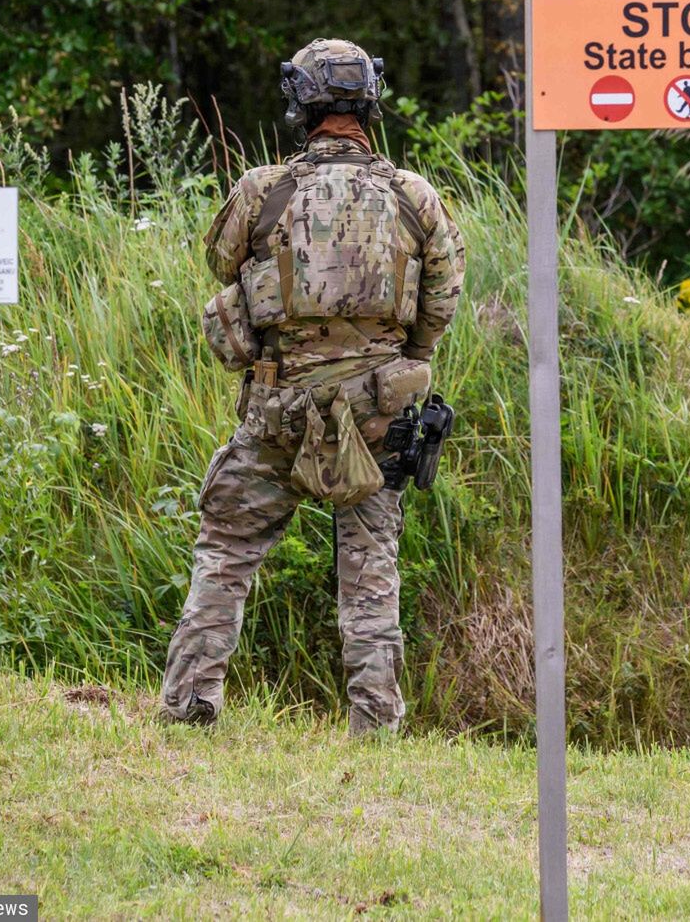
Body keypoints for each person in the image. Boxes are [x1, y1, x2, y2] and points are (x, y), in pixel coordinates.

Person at [160, 38, 464, 734]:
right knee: (371, 571)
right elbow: (440, 305)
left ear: (300, 104)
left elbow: (219, 261)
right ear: (370, 103)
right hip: (376, 416)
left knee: (227, 550)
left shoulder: (264, 190)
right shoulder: (414, 195)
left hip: (277, 409)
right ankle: (375, 724)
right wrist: (394, 368)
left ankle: (189, 704)